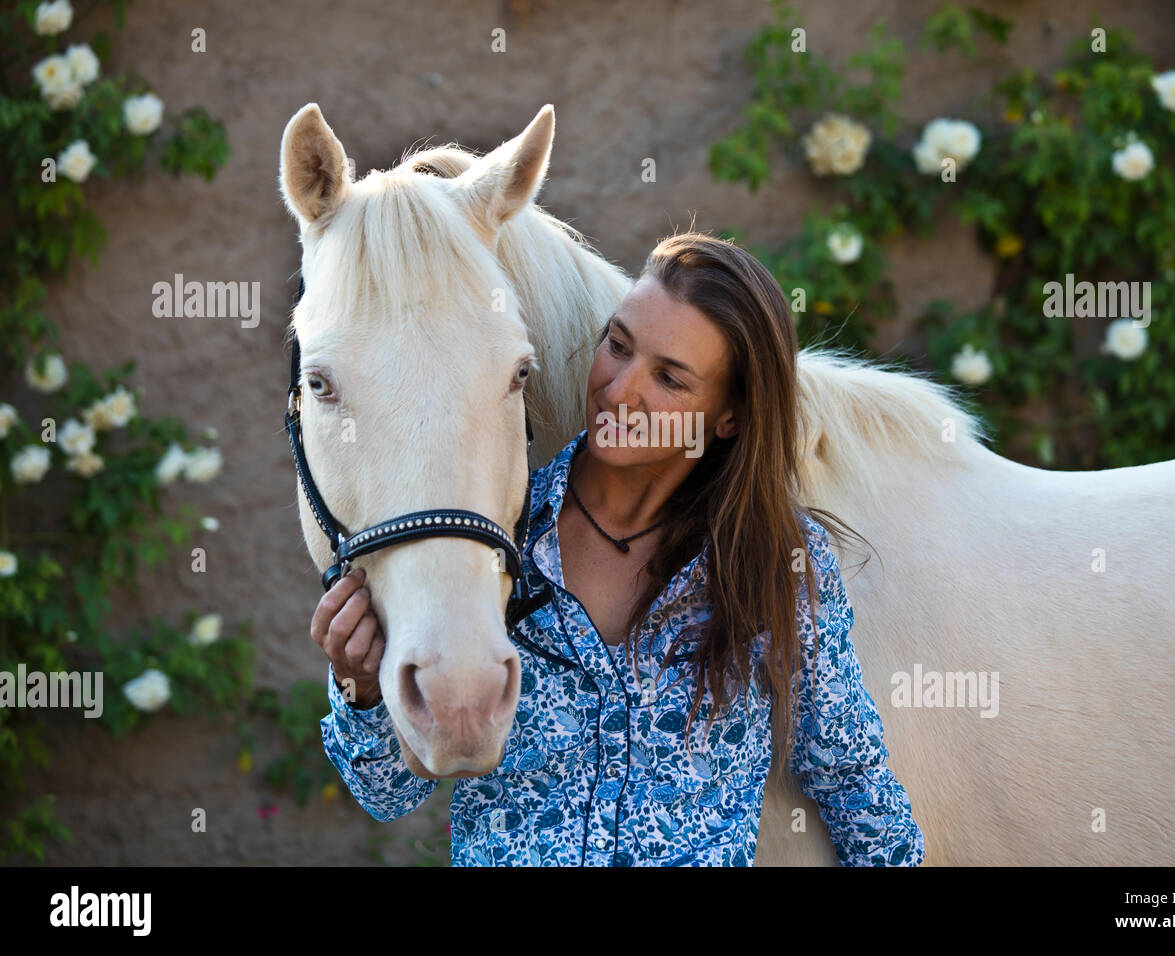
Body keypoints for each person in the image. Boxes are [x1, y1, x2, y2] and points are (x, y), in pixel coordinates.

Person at [314, 231, 924, 866]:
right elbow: (385, 794)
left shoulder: (780, 565)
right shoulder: (491, 540)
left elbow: (853, 783)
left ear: (730, 417)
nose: (619, 390)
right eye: (618, 345)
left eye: (669, 377)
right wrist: (360, 686)